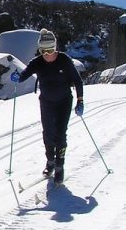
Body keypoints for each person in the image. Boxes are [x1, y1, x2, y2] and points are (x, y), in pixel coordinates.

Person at [10, 28, 83, 185]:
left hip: (64, 102)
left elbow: (77, 80)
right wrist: (17, 77)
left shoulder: (64, 60)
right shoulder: (37, 62)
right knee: (48, 134)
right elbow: (24, 75)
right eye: (44, 51)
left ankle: (59, 167)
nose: (47, 54)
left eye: (50, 50)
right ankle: (50, 162)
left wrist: (80, 101)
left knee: (60, 134)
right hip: (47, 102)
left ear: (55, 48)